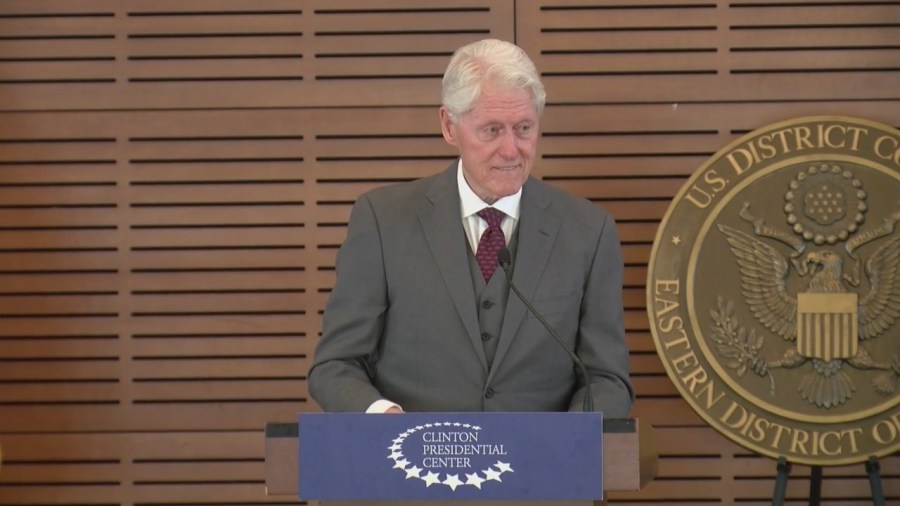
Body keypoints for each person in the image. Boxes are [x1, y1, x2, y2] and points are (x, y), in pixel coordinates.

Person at [308, 39, 634, 416]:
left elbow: (606, 379)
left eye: (524, 128)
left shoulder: (588, 233)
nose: (511, 150)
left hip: (540, 468)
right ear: (450, 126)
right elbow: (334, 367)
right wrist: (384, 421)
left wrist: (564, 443)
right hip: (412, 464)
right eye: (492, 130)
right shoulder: (383, 222)